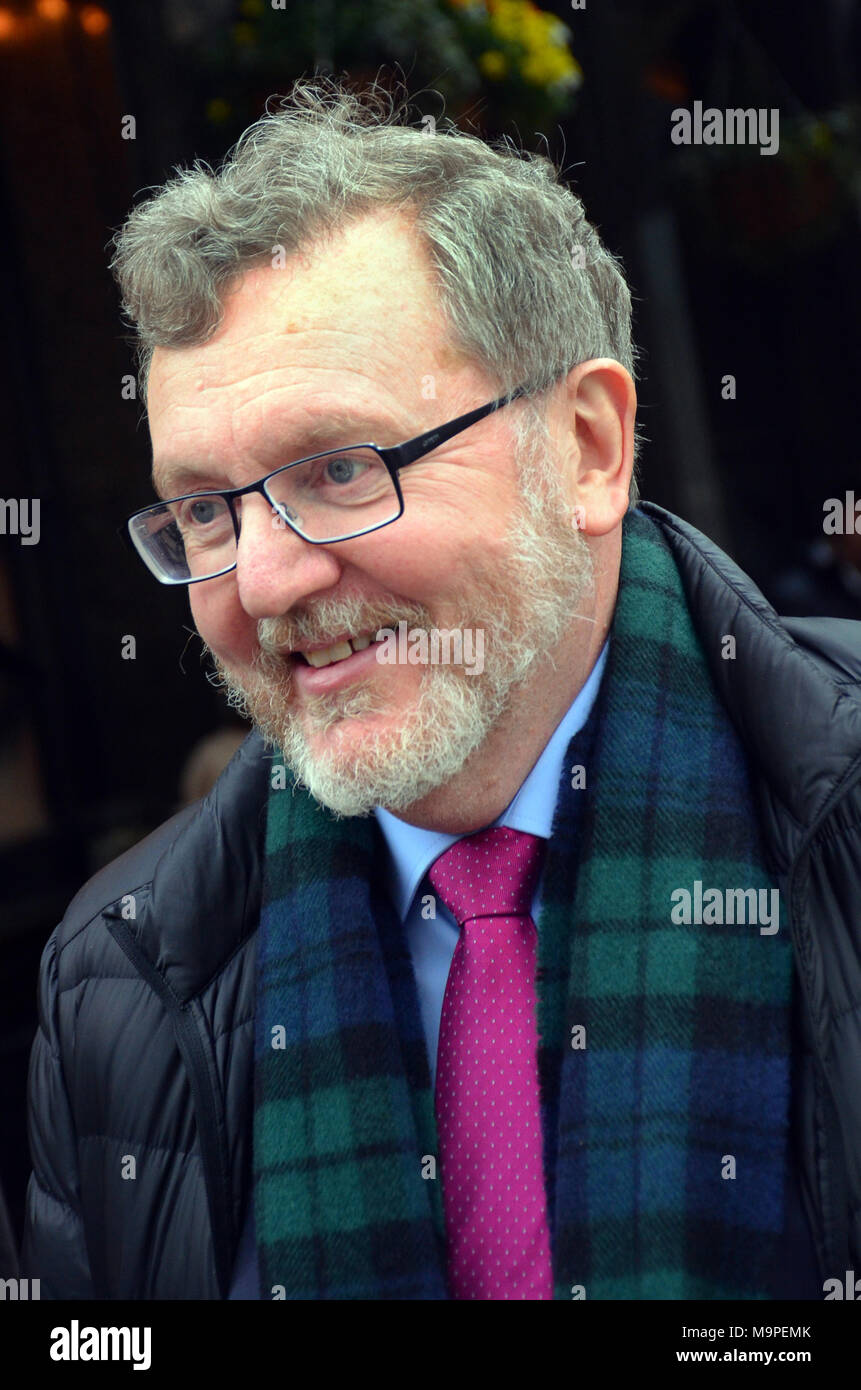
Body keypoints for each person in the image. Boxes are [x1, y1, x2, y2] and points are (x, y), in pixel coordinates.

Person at [20, 78, 861, 1301]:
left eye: (344, 468)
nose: (262, 580)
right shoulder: (120, 985)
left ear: (585, 447)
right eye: (205, 510)